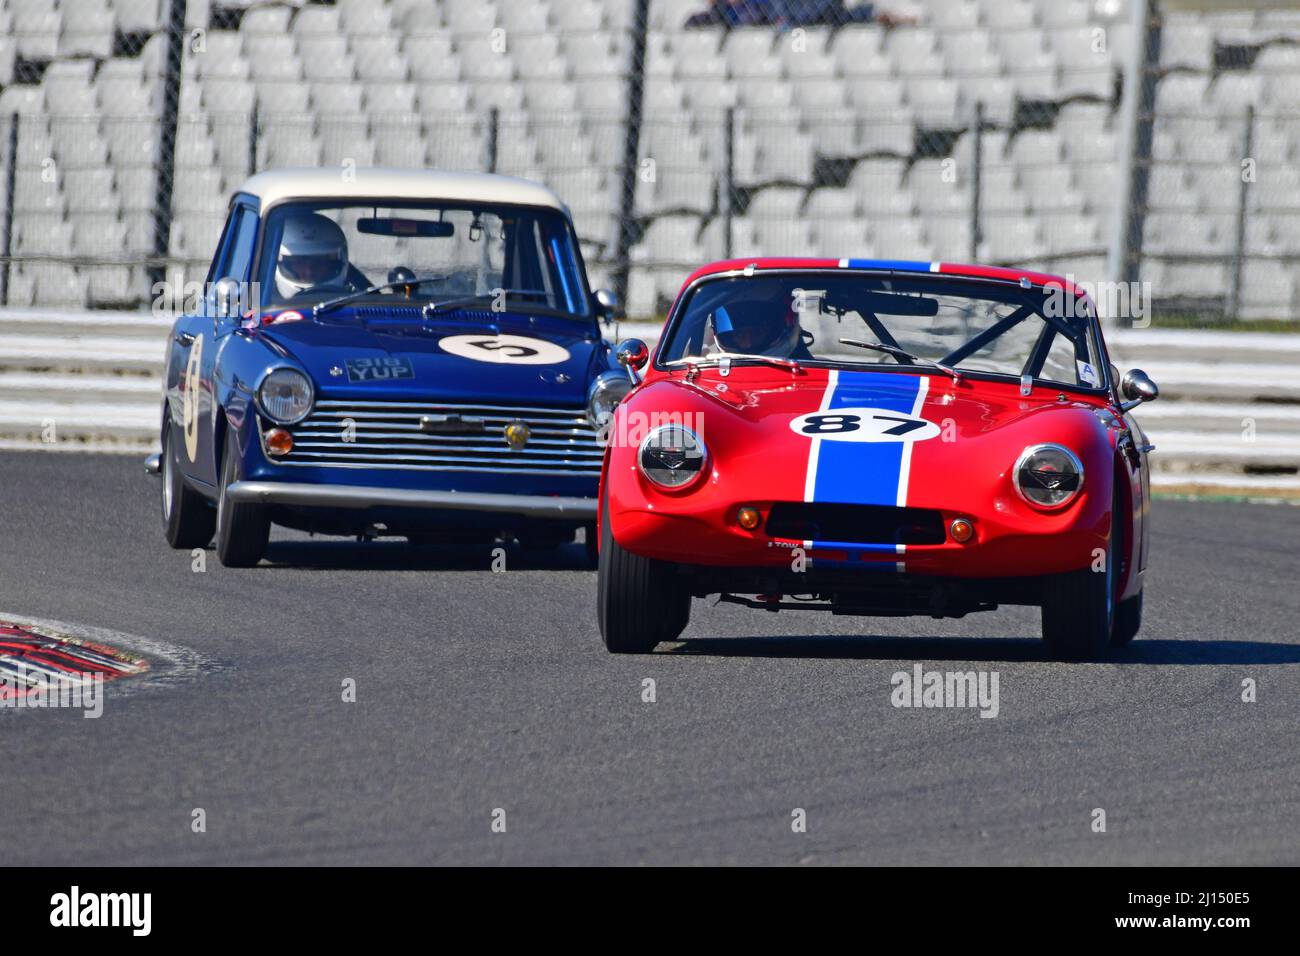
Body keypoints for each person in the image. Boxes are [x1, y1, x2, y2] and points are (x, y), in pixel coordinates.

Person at [273, 213, 351, 299]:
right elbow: (254, 310)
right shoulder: (257, 300)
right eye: (300, 262)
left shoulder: (357, 303)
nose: (309, 271)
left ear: (334, 264)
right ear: (284, 264)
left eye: (319, 261)